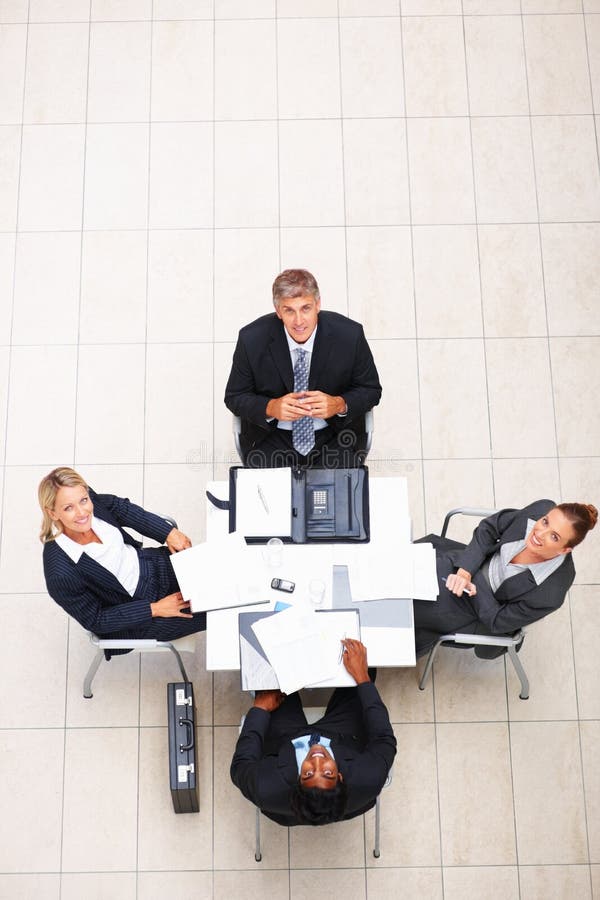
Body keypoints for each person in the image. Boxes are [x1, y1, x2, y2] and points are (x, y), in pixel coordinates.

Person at [224, 268, 382, 467]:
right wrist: (270, 407)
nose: (299, 321)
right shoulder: (251, 339)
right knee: (265, 494)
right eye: (289, 310)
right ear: (278, 311)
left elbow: (371, 390)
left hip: (335, 436)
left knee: (342, 492)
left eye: (305, 308)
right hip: (271, 438)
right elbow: (234, 396)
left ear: (318, 305)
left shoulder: (350, 335)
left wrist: (339, 404)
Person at [230, 639, 396, 826]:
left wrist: (260, 708)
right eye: (327, 772)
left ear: (297, 781)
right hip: (343, 735)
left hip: (284, 740)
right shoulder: (369, 778)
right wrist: (362, 678)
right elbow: (383, 738)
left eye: (308, 774)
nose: (317, 759)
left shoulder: (264, 787)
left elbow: (241, 765)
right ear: (340, 777)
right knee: (362, 666)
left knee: (268, 669)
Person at [39, 467, 206, 652]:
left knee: (227, 572)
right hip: (137, 612)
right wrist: (155, 609)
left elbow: (120, 508)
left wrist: (167, 532)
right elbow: (96, 619)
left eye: (83, 500)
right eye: (68, 508)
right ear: (53, 513)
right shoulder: (60, 573)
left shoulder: (88, 498)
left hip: (151, 564)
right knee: (218, 610)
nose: (82, 513)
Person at [413, 499, 597, 656]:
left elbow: (496, 621)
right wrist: (466, 569)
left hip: (481, 610)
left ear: (565, 550)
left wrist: (472, 576)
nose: (539, 533)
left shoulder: (550, 594)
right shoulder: (541, 508)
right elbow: (490, 528)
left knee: (410, 608)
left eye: (554, 537)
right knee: (405, 564)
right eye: (545, 522)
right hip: (467, 564)